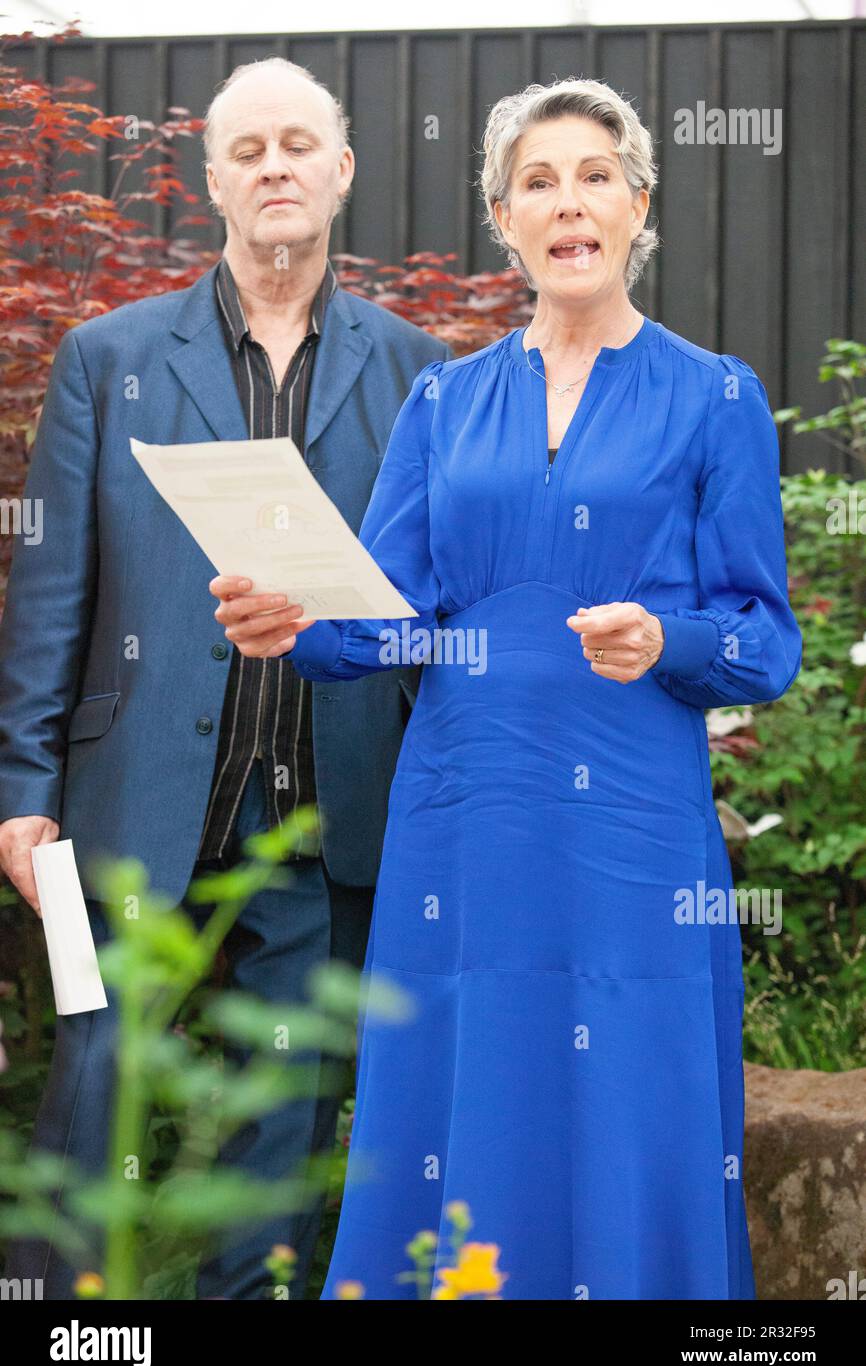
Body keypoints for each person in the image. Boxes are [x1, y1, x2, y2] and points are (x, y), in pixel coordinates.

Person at [216, 74, 804, 1300]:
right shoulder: (444, 400)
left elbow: (764, 643)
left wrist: (670, 642)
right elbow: (380, 626)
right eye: (537, 182)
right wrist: (287, 623)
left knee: (623, 1093)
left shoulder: (716, 397)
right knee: (460, 1090)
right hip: (463, 819)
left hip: (631, 824)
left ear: (638, 204)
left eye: (593, 176)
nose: (567, 201)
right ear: (505, 216)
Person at [0, 56, 451, 1299]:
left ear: (341, 170)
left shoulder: (424, 373)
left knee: (287, 1112)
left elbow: (431, 610)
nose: (274, 169)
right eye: (246, 150)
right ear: (211, 181)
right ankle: (70, 1326)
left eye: (297, 146)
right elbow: (54, 596)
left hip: (328, 808)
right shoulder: (108, 356)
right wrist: (22, 786)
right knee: (100, 1093)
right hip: (132, 803)